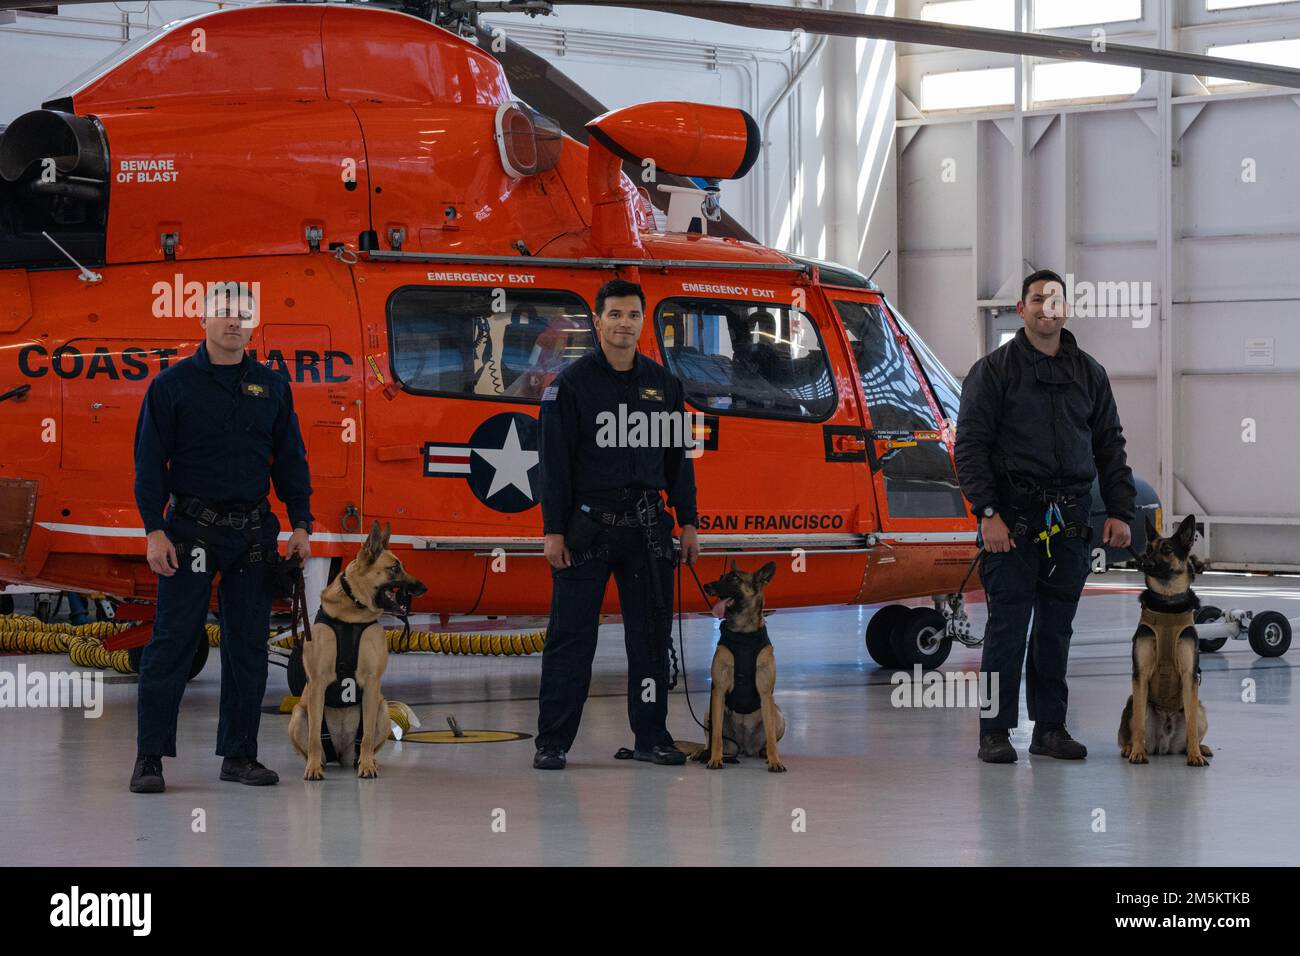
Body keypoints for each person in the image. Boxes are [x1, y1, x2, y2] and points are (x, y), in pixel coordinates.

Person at [130, 283, 313, 793]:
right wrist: (153, 530)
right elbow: (149, 463)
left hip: (252, 535)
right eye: (225, 314)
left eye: (244, 315)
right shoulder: (173, 386)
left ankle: (240, 755)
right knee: (170, 643)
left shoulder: (273, 386)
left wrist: (301, 523)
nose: (235, 323)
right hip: (188, 533)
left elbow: (291, 459)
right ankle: (150, 759)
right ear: (204, 321)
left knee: (247, 649)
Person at [955, 269, 1135, 763]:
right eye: (1037, 299)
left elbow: (1109, 446)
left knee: (1056, 629)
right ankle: (994, 731)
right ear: (1022, 308)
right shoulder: (993, 371)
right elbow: (969, 446)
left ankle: (1050, 728)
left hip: (1072, 520)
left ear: (1066, 309)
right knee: (1007, 628)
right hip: (1010, 521)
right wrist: (987, 513)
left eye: (1055, 300)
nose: (1046, 308)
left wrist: (1120, 510)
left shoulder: (1090, 374)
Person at [534, 279, 701, 770]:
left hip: (647, 532)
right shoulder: (570, 386)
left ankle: (651, 736)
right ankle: (553, 742)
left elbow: (679, 461)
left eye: (632, 315)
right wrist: (553, 531)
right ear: (598, 321)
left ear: (642, 321)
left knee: (650, 640)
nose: (623, 324)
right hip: (586, 531)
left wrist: (688, 522)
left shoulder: (665, 387)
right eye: (614, 315)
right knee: (570, 640)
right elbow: (554, 464)